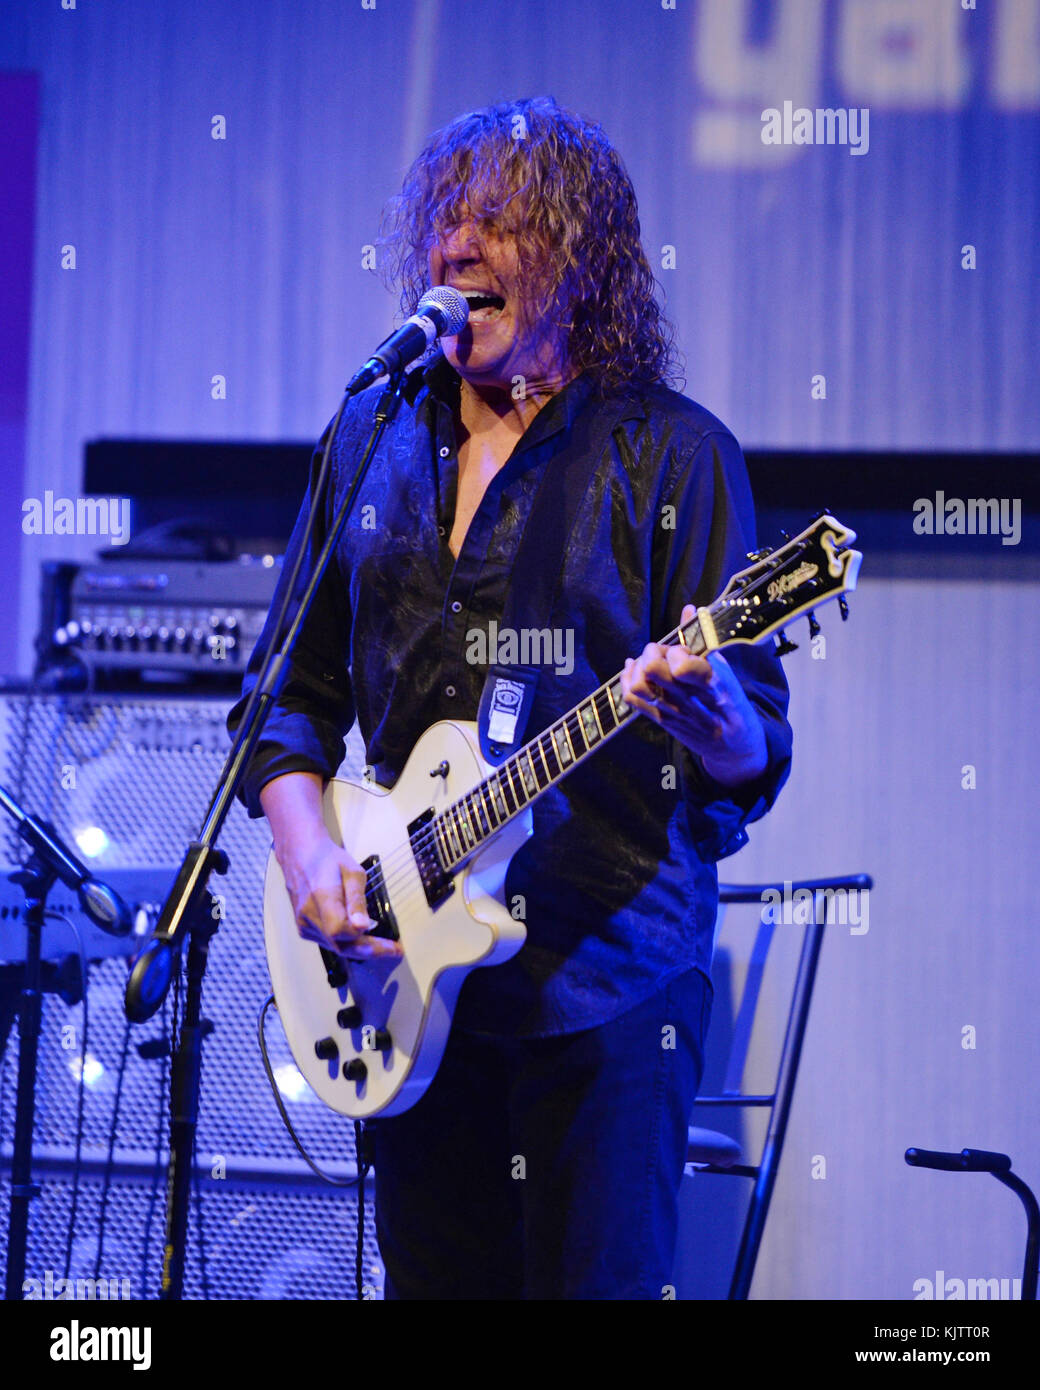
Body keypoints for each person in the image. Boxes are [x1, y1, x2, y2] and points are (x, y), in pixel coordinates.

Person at [227, 96, 793, 1300]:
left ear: (581, 262)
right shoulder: (373, 434)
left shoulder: (673, 455)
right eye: (443, 218)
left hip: (606, 988)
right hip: (408, 991)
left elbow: (753, 750)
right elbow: (286, 691)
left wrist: (717, 724)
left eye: (501, 220)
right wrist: (310, 856)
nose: (456, 243)